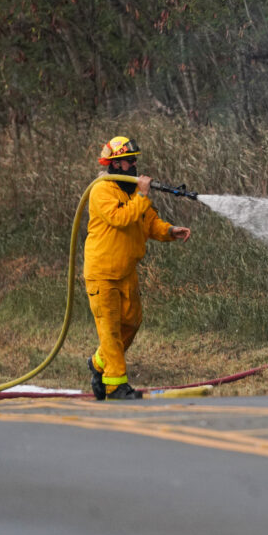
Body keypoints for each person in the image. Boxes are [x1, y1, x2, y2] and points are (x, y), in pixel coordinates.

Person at [84, 136, 191, 400]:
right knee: (109, 329)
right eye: (129, 161)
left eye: (134, 160)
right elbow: (121, 218)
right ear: (115, 164)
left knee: (131, 323)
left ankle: (98, 363)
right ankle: (116, 386)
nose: (134, 165)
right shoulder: (101, 190)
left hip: (126, 271)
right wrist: (142, 194)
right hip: (102, 274)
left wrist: (169, 230)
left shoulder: (132, 193)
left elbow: (147, 220)